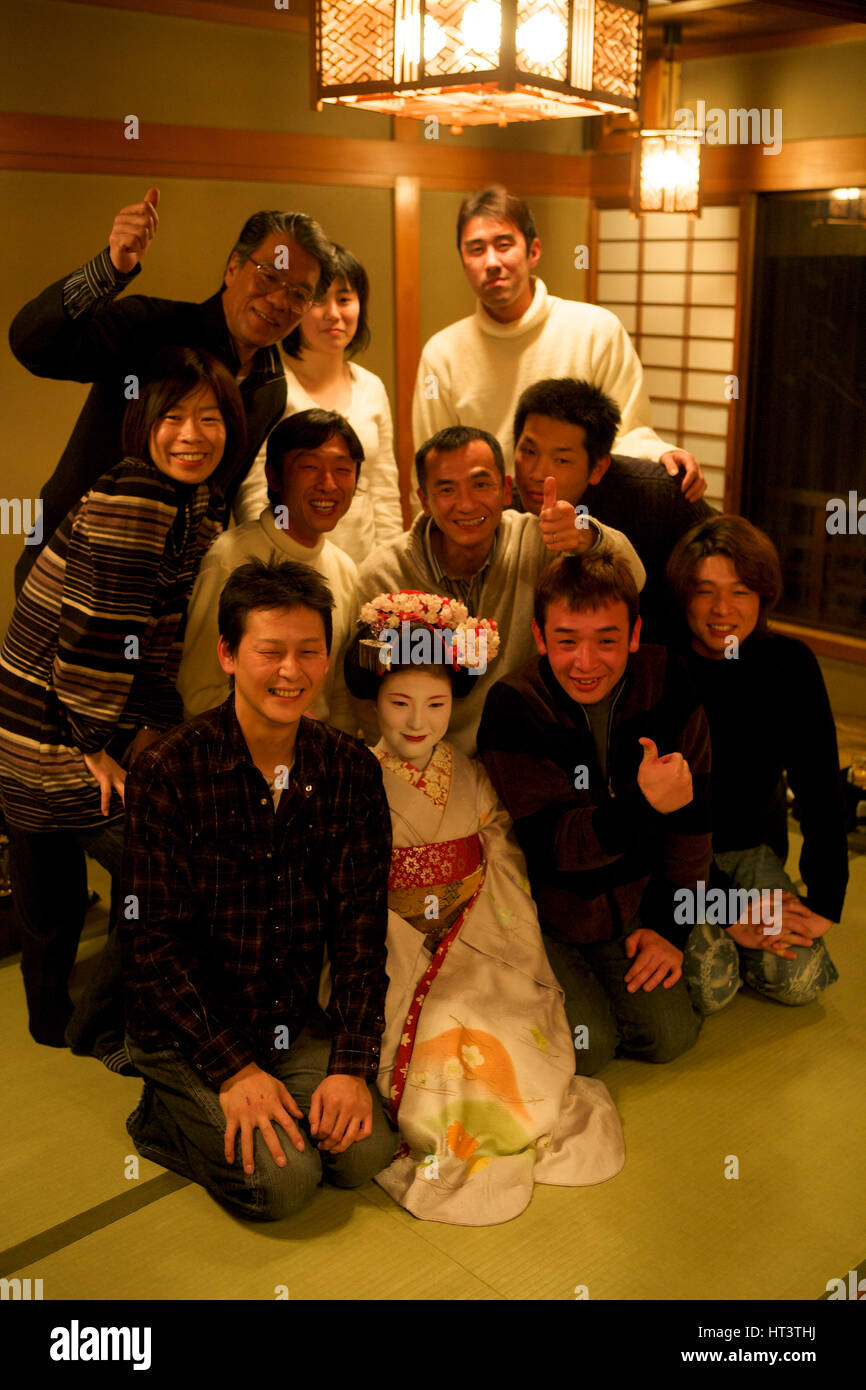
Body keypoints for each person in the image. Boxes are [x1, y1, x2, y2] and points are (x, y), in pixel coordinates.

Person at [122, 559, 397, 1222]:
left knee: (363, 1155)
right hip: (189, 1027)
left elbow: (361, 931)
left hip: (290, 1014)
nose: (291, 672)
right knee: (284, 1185)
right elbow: (151, 945)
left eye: (309, 652)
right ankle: (163, 1115)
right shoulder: (169, 770)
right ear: (227, 653)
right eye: (269, 651)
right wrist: (235, 1071)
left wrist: (351, 1065)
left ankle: (269, 1101)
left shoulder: (350, 770)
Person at [342, 594, 624, 1224]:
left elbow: (500, 856)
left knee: (498, 1015)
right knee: (446, 1032)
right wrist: (411, 935)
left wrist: (483, 930)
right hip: (396, 944)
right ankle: (458, 1129)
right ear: (374, 702)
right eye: (399, 703)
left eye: (437, 705)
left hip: (476, 931)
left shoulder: (470, 775)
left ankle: (510, 1116)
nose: (419, 721)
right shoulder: (355, 777)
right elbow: (348, 884)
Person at [0, 347, 246, 1059]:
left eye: (209, 418)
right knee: (168, 867)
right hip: (54, 726)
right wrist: (98, 743)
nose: (191, 434)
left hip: (43, 717)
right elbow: (92, 639)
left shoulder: (197, 502)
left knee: (45, 884)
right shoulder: (136, 494)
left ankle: (54, 1017)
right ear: (143, 424)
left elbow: (151, 636)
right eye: (171, 417)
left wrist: (145, 729)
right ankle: (98, 1026)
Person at [9, 188, 335, 590]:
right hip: (71, 565)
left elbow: (220, 498)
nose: (280, 299)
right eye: (269, 276)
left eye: (299, 293)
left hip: (169, 593)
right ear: (233, 267)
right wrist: (111, 267)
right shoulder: (154, 328)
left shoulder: (270, 386)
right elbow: (33, 345)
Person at [478, 553, 711, 1075]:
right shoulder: (514, 705)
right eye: (567, 641)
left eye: (607, 640)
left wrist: (672, 928)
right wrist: (644, 803)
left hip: (633, 901)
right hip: (546, 914)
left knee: (671, 1035)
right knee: (588, 1048)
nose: (586, 662)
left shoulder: (668, 676)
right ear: (540, 638)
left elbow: (694, 822)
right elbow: (556, 846)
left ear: (634, 634)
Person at [334, 424, 647, 755]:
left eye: (481, 484)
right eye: (446, 490)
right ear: (424, 500)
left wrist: (585, 534)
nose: (466, 505)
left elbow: (634, 577)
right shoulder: (384, 573)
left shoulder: (536, 542)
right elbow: (364, 694)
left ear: (505, 489)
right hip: (419, 755)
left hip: (523, 749)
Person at [411, 184, 705, 500]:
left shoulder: (595, 330)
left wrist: (661, 454)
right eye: (477, 249)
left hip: (584, 514)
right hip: (484, 524)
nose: (492, 261)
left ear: (533, 251)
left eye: (504, 244)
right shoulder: (441, 354)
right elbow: (433, 465)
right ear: (463, 262)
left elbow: (627, 434)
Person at [666, 515, 847, 1011]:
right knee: (708, 988)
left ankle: (742, 941)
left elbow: (819, 788)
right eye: (704, 592)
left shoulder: (790, 665)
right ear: (684, 596)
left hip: (748, 850)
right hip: (672, 861)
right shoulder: (662, 666)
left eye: (741, 590)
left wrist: (823, 901)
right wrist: (728, 907)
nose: (722, 610)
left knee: (799, 979)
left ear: (763, 596)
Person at [177, 409, 361, 725]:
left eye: (343, 469)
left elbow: (340, 698)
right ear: (273, 477)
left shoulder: (344, 570)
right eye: (310, 466)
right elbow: (198, 690)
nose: (328, 484)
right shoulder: (231, 556)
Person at [233, 245, 404, 561]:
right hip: (286, 565)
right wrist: (274, 560)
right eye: (319, 301)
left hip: (362, 565)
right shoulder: (269, 384)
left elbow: (383, 494)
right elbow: (254, 490)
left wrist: (387, 567)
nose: (333, 314)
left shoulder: (371, 387)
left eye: (344, 299)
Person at [511, 377, 713, 641]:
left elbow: (729, 555)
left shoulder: (658, 494)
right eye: (528, 451)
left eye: (561, 459)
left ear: (598, 468)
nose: (536, 474)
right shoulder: (508, 506)